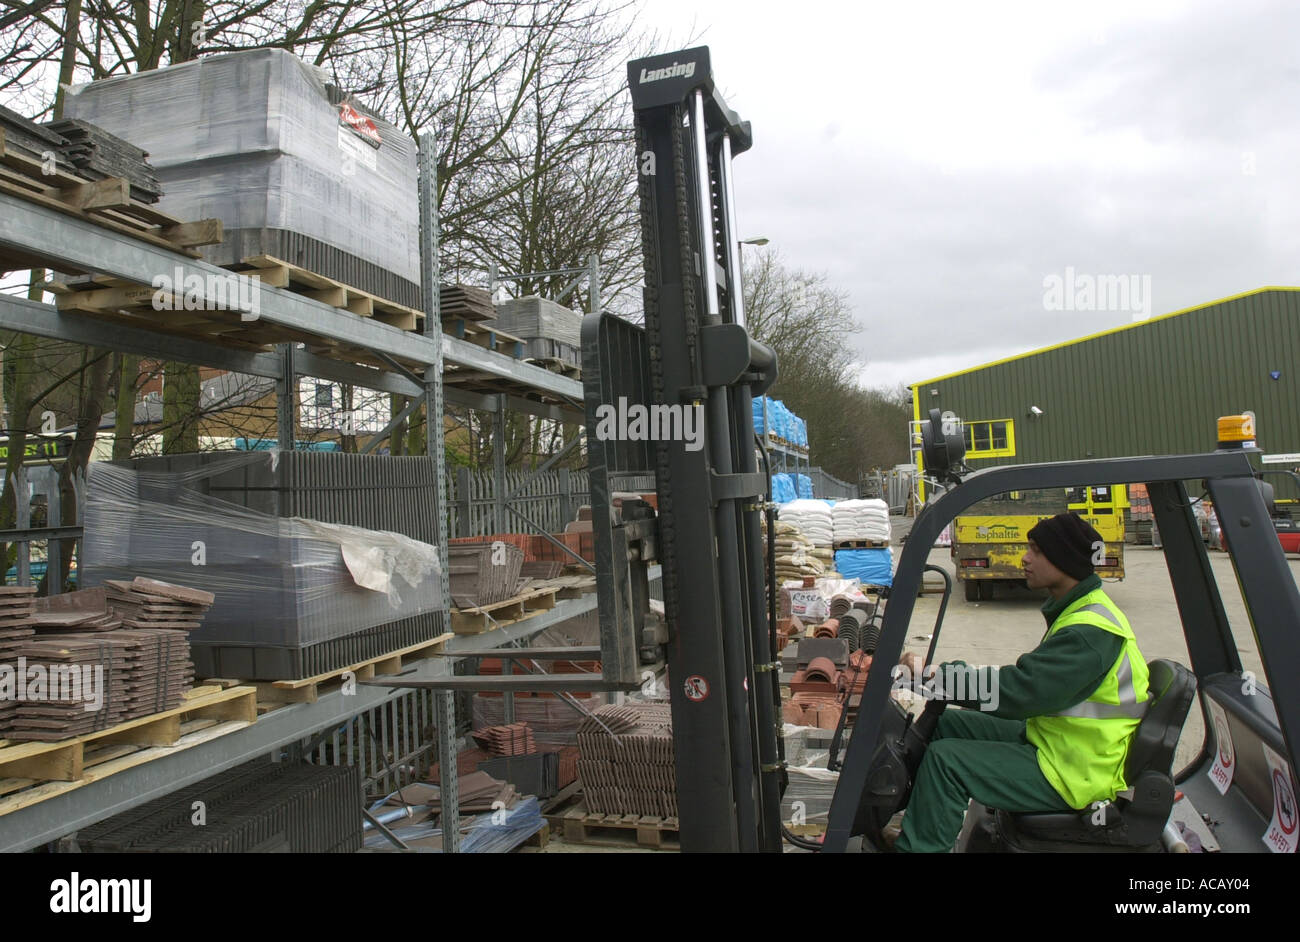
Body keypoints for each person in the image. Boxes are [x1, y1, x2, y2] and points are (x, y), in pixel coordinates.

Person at [893, 512, 1150, 853]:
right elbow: (1029, 684)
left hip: (1074, 771)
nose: (1024, 558)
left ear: (1064, 559)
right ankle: (915, 823)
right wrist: (941, 678)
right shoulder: (1078, 610)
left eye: (1036, 551)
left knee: (946, 760)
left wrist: (939, 677)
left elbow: (1019, 693)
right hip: (1056, 742)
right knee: (942, 722)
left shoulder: (1090, 632)